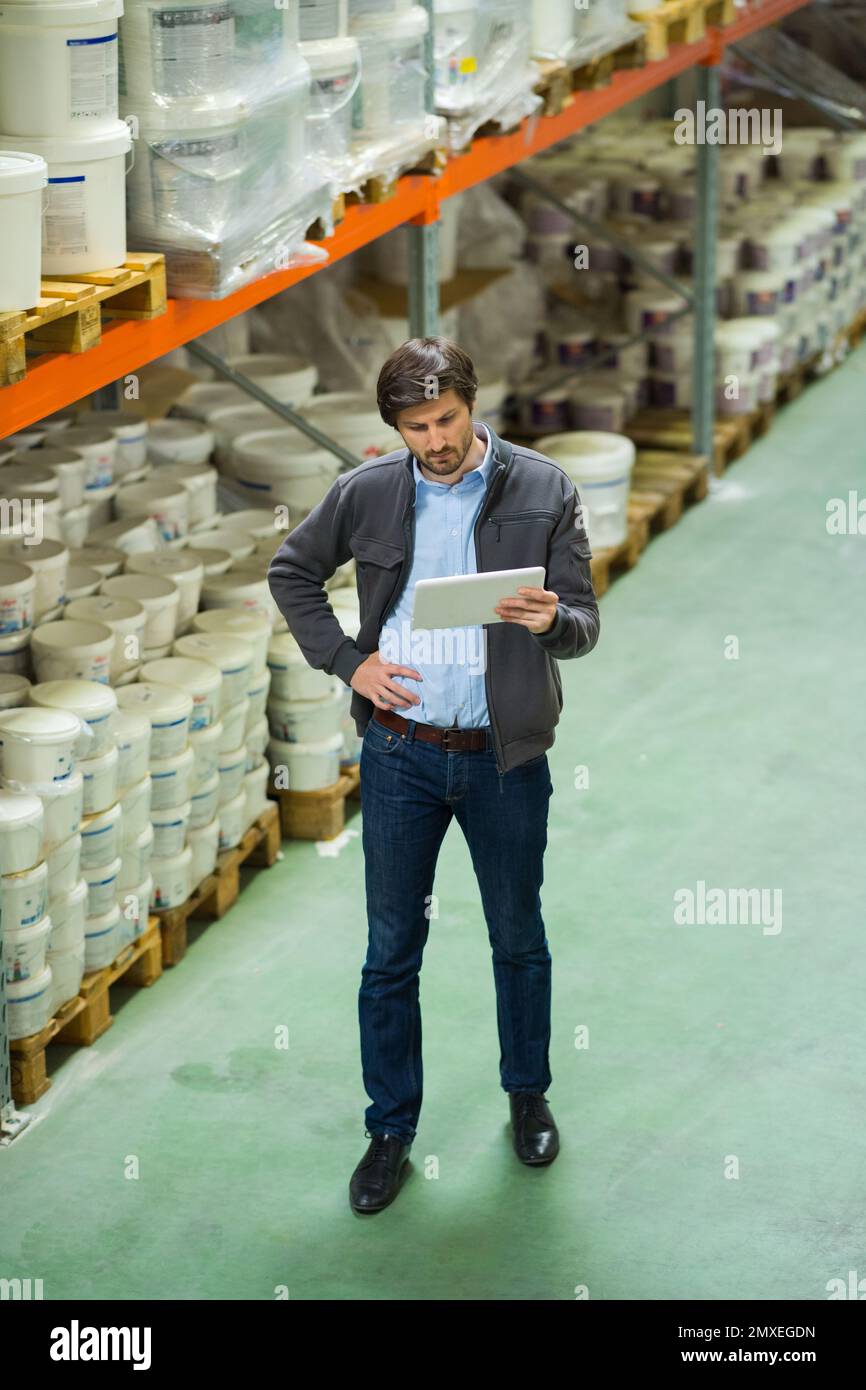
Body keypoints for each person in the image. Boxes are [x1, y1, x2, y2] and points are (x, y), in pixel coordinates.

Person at [268, 337, 600, 1214]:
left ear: (471, 405)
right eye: (416, 427)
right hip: (402, 754)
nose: (436, 440)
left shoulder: (542, 487)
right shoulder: (368, 492)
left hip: (503, 757)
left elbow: (585, 622)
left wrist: (550, 619)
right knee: (390, 955)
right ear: (397, 429)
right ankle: (389, 1132)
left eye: (447, 419)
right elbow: (291, 571)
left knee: (516, 935)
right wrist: (349, 662)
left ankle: (528, 1094)